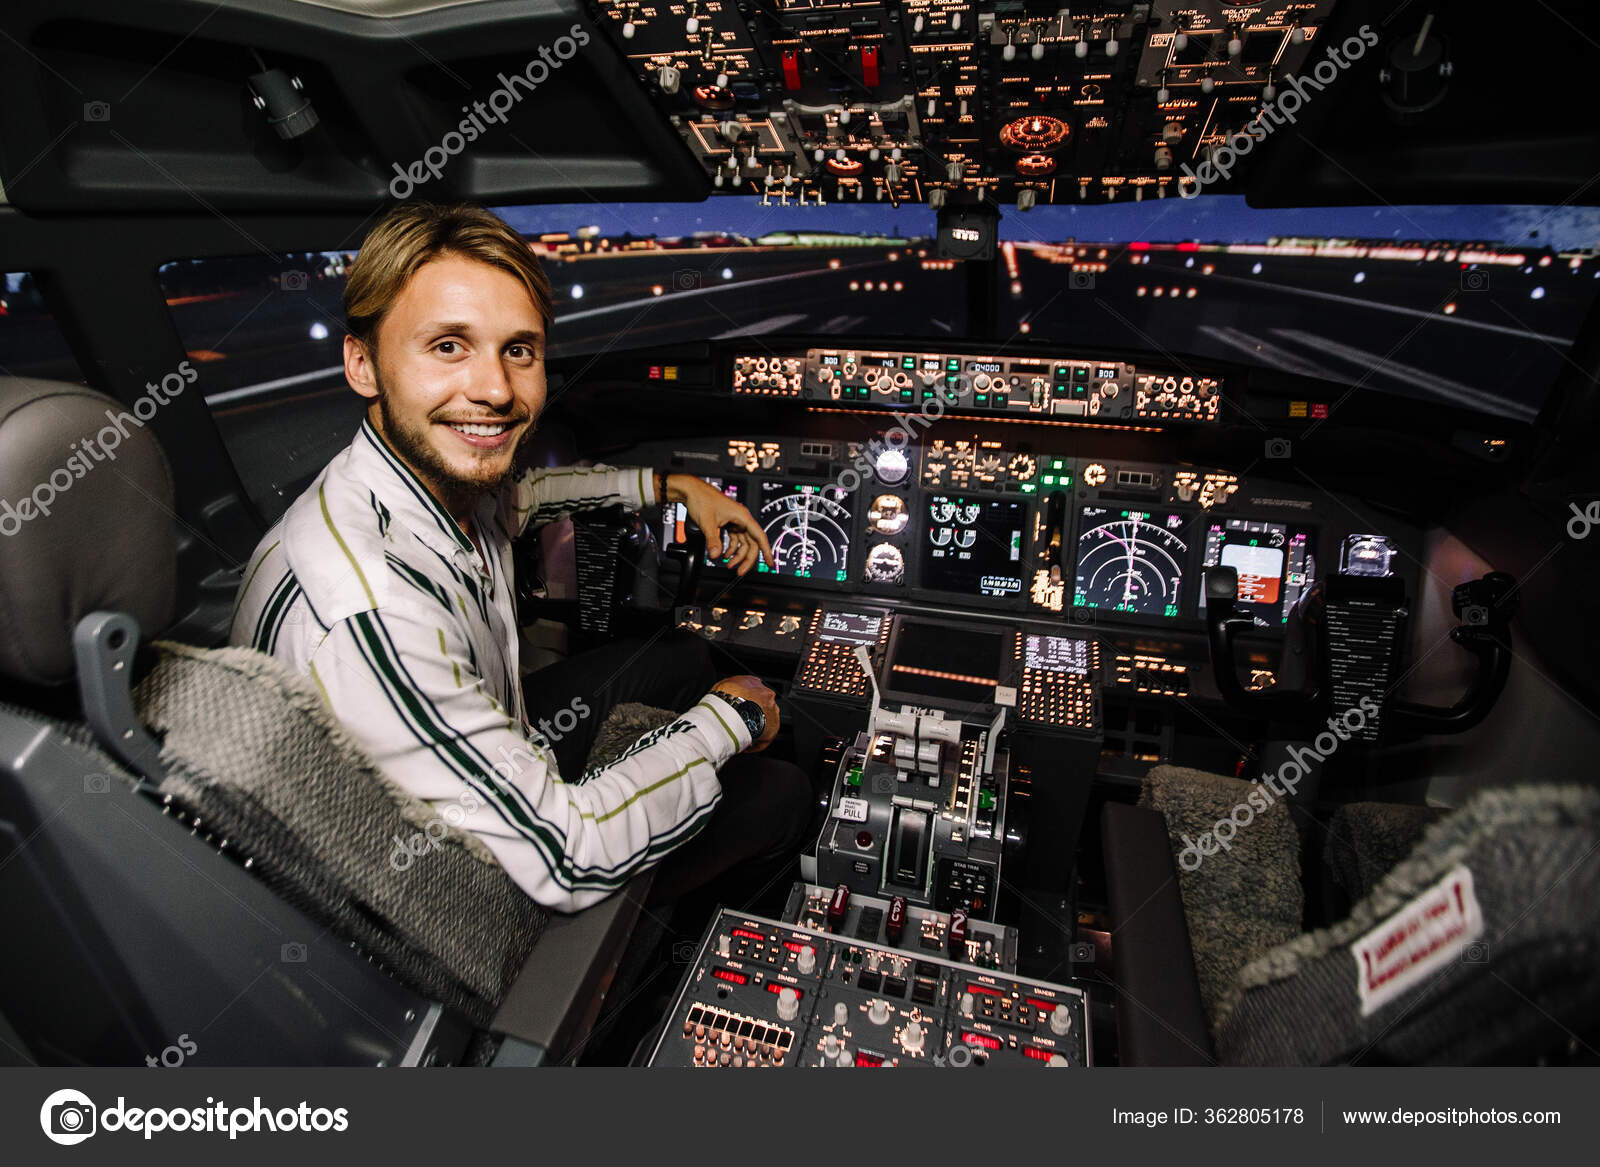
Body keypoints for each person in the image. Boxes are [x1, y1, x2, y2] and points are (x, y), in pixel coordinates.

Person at [229, 202, 812, 911]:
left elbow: (528, 496)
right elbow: (568, 858)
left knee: (681, 656)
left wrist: (670, 485)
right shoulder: (371, 610)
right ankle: (665, 975)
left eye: (519, 349)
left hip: (485, 752)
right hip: (460, 896)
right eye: (448, 346)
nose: (497, 390)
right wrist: (729, 720)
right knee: (780, 794)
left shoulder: (414, 486)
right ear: (363, 364)